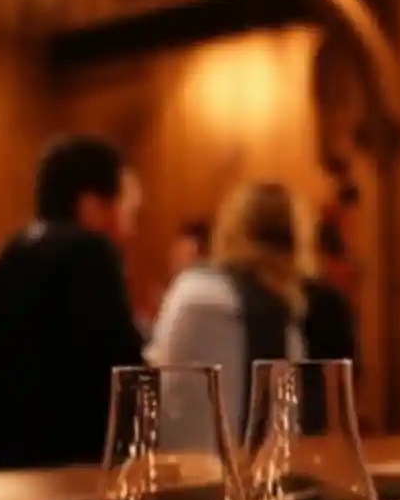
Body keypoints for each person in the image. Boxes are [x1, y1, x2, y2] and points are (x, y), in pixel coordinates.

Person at [0, 135, 144, 468]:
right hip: (73, 480)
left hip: (0, 473)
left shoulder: (3, 261)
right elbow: (125, 381)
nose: (130, 229)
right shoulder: (91, 254)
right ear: (91, 205)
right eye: (127, 211)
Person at [148, 183, 357, 436]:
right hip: (286, 465)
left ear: (229, 231)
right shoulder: (316, 305)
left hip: (178, 467)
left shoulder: (192, 293)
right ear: (300, 235)